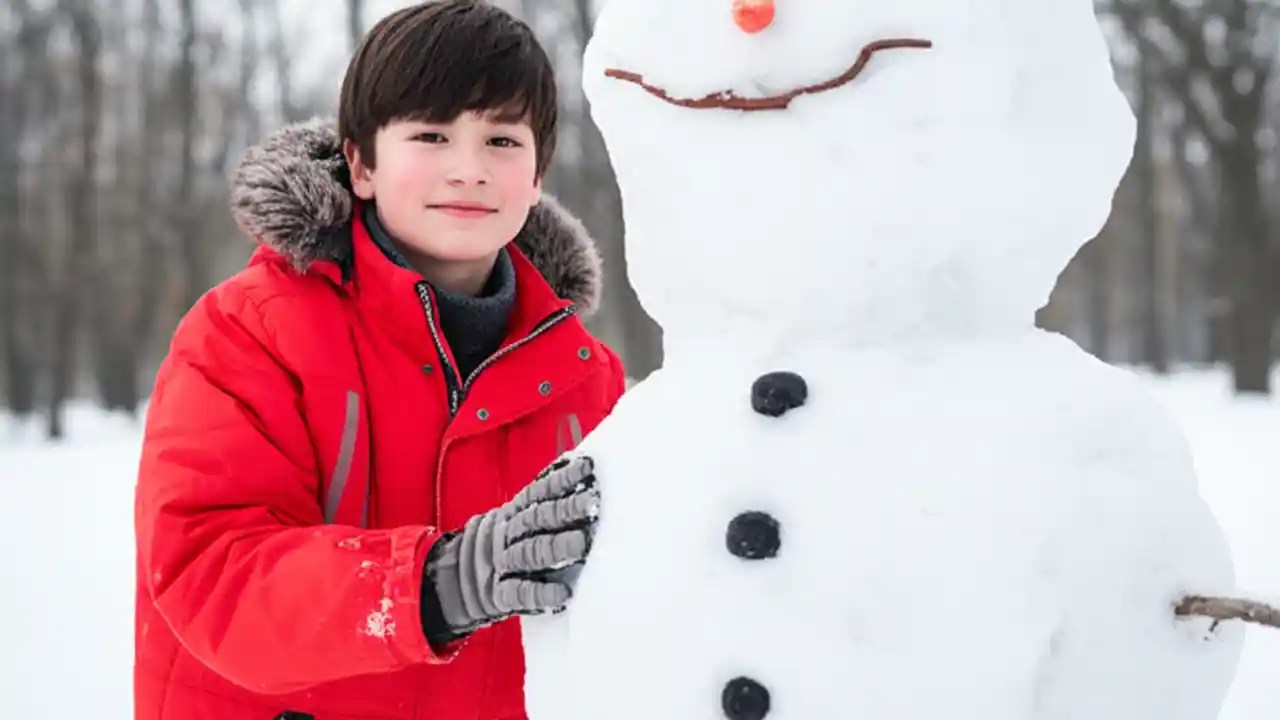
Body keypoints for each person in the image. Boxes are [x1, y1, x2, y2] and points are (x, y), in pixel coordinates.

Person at [133, 2, 627, 718]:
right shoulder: (247, 332)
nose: (469, 169)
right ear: (361, 162)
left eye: (502, 140)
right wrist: (437, 585)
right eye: (431, 134)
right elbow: (210, 571)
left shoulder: (590, 379)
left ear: (538, 172)